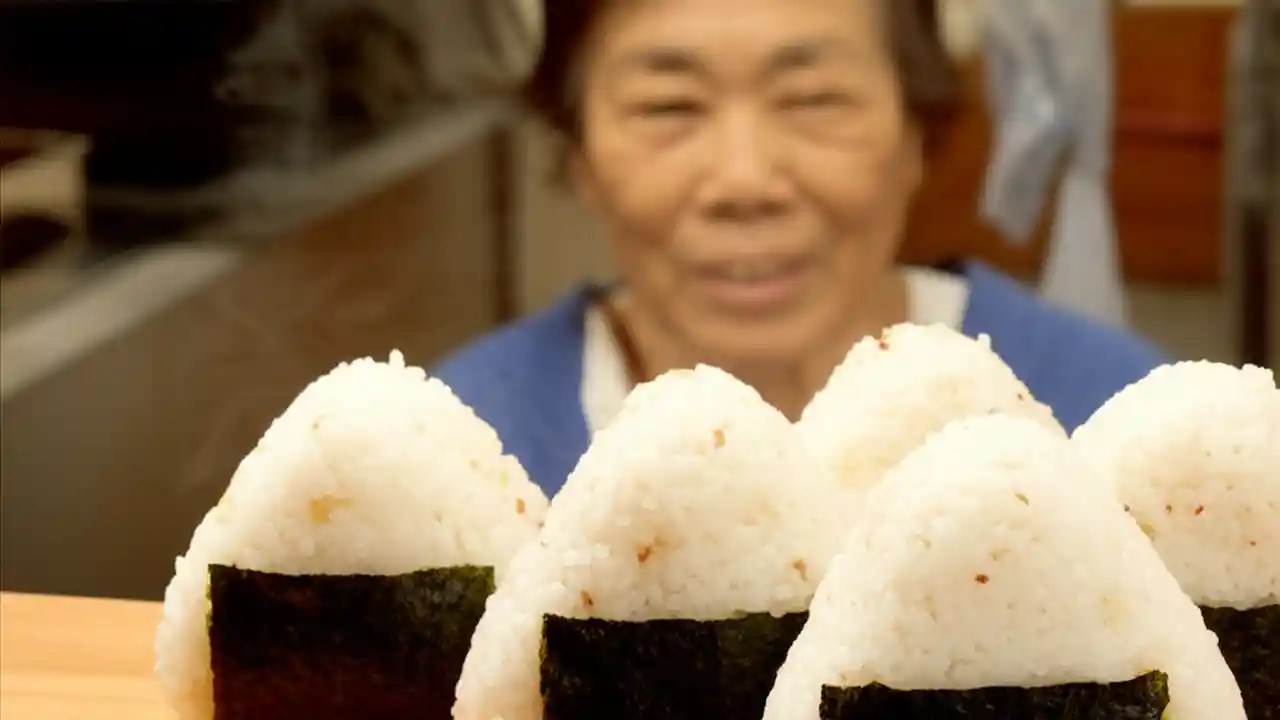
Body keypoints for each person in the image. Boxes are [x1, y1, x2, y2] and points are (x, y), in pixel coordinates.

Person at [434, 0, 1165, 496]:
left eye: (815, 99)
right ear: (578, 156)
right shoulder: (460, 449)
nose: (745, 181)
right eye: (668, 107)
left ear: (919, 132)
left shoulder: (1117, 419)